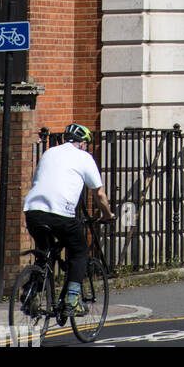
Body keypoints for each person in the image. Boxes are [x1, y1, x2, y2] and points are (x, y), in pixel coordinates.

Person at [23, 124, 114, 315]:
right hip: (60, 214)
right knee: (79, 251)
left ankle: (32, 292)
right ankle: (72, 300)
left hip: (33, 210)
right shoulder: (84, 158)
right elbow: (99, 194)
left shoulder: (49, 153)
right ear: (82, 143)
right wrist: (107, 215)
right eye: (86, 144)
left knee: (44, 252)